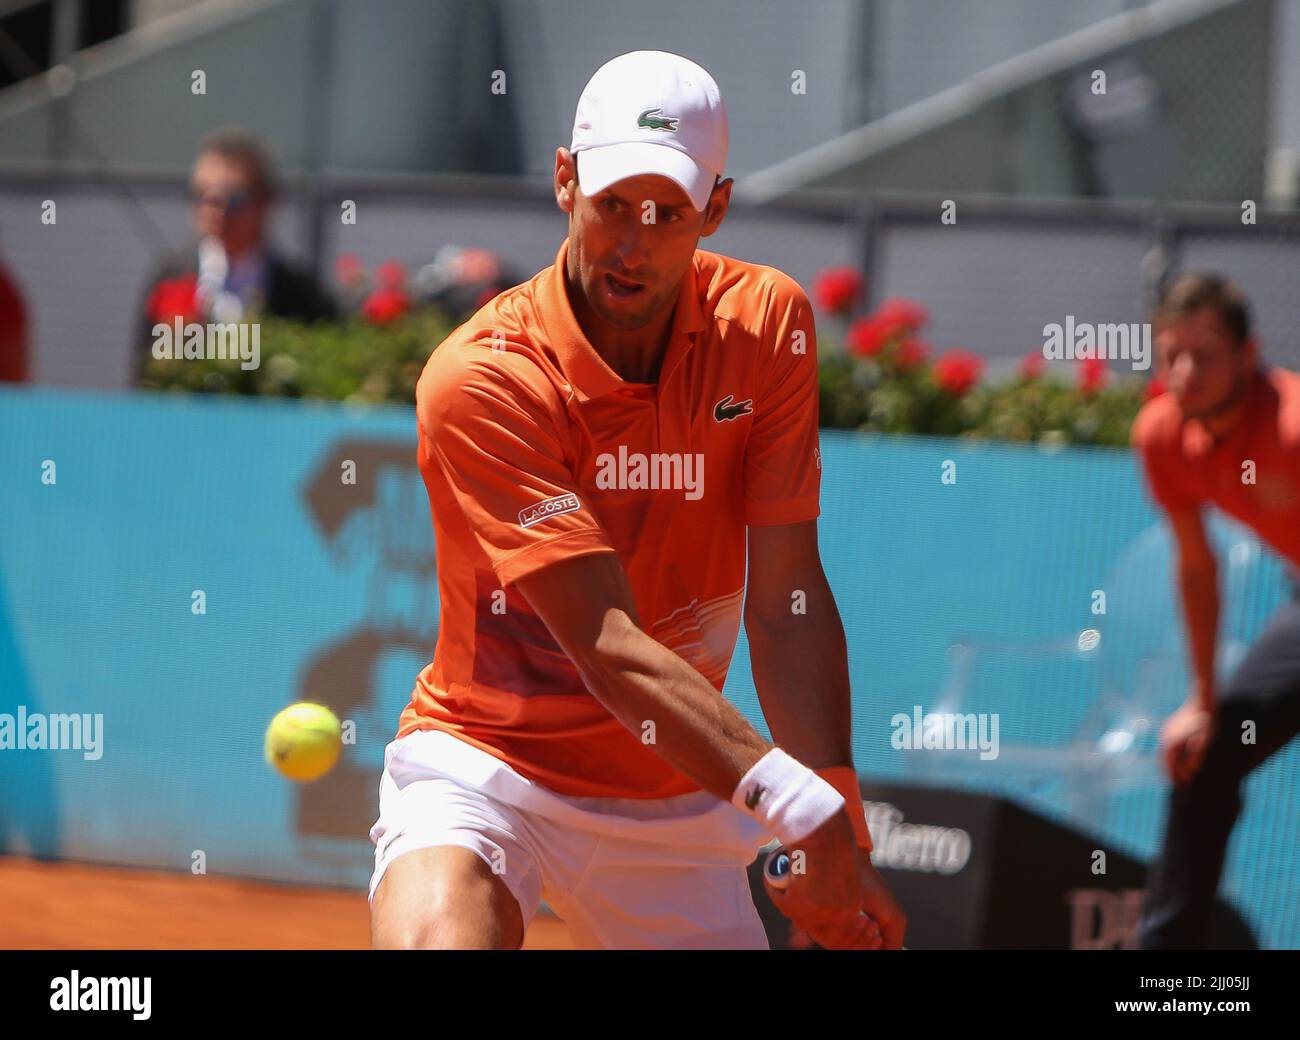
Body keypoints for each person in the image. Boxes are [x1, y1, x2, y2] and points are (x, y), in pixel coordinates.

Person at [367, 50, 905, 950]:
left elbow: (786, 603)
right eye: (614, 203)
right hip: (486, 763)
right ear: (565, 182)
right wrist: (793, 802)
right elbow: (608, 647)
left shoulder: (768, 327)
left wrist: (838, 816)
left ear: (716, 210)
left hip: (675, 795)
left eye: (668, 214)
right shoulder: (484, 378)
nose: (634, 242)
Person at [1132, 272, 1300, 949]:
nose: (1184, 372)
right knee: (1204, 755)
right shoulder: (1162, 437)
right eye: (1171, 353)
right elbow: (1198, 569)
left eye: (1203, 353)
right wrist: (1201, 700)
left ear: (1248, 354)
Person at [134, 127, 335, 383]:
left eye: (233, 199)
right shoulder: (171, 276)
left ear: (266, 202)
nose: (215, 210)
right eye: (201, 196)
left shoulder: (302, 294)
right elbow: (144, 378)